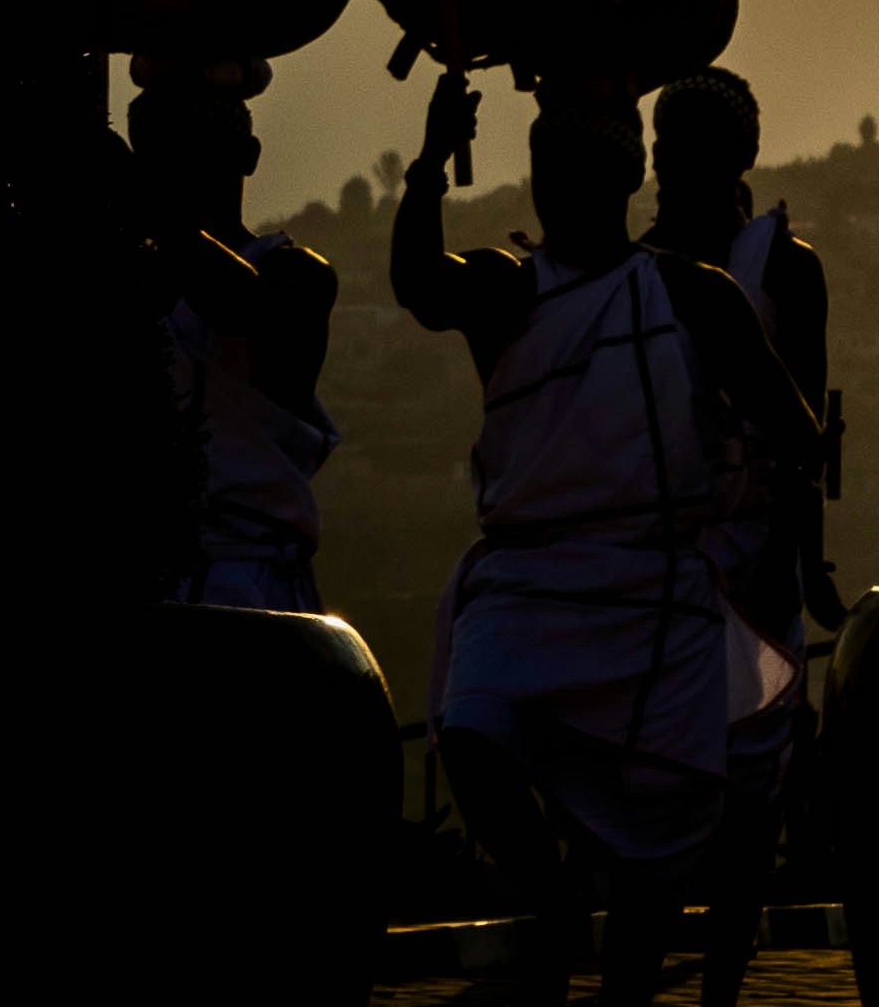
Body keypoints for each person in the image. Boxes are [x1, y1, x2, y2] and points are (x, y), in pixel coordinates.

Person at [398, 69, 821, 1007]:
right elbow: (419, 284)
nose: (565, 184)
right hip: (523, 582)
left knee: (652, 864)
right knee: (469, 729)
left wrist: (743, 482)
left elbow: (794, 427)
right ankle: (547, 901)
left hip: (656, 592)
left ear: (624, 174)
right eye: (550, 161)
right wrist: (428, 159)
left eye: (588, 163)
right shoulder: (510, 287)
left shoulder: (693, 294)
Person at [645, 66, 846, 997]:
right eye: (658, 153)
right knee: (648, 792)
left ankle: (721, 985)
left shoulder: (781, 268)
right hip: (654, 563)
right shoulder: (638, 270)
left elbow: (800, 432)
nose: (666, 171)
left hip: (752, 559)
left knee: (744, 801)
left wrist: (799, 566)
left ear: (737, 162)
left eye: (686, 155)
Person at [129, 57, 341, 612]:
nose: (177, 165)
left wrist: (146, 200)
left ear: (247, 156)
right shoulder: (122, 277)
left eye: (195, 144)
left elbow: (237, 304)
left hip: (249, 582)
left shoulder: (297, 277)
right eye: (159, 148)